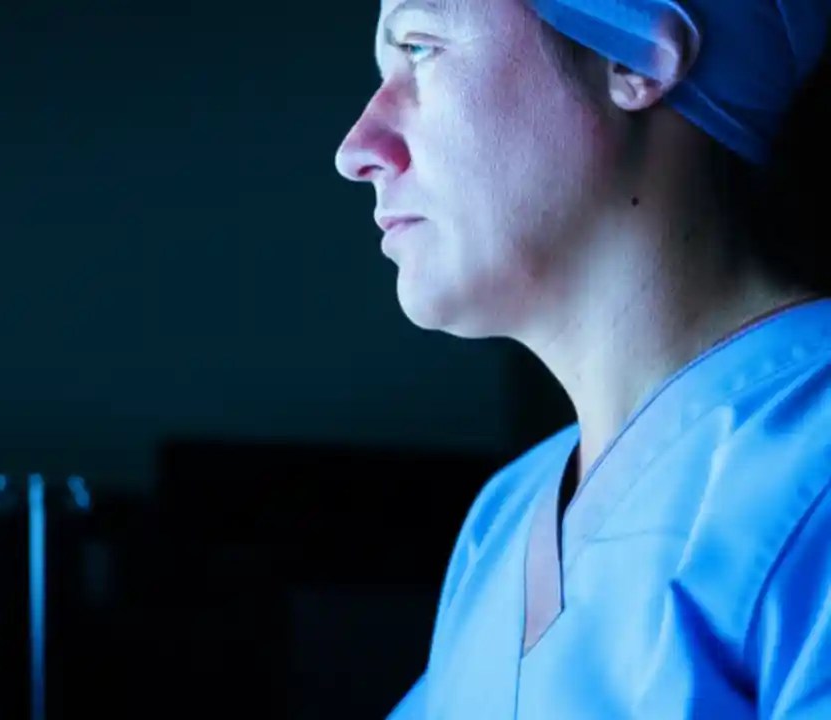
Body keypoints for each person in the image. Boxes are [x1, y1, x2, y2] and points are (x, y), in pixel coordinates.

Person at [333, 0, 831, 717]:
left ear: (633, 59)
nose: (357, 149)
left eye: (419, 48)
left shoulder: (810, 479)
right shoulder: (502, 523)